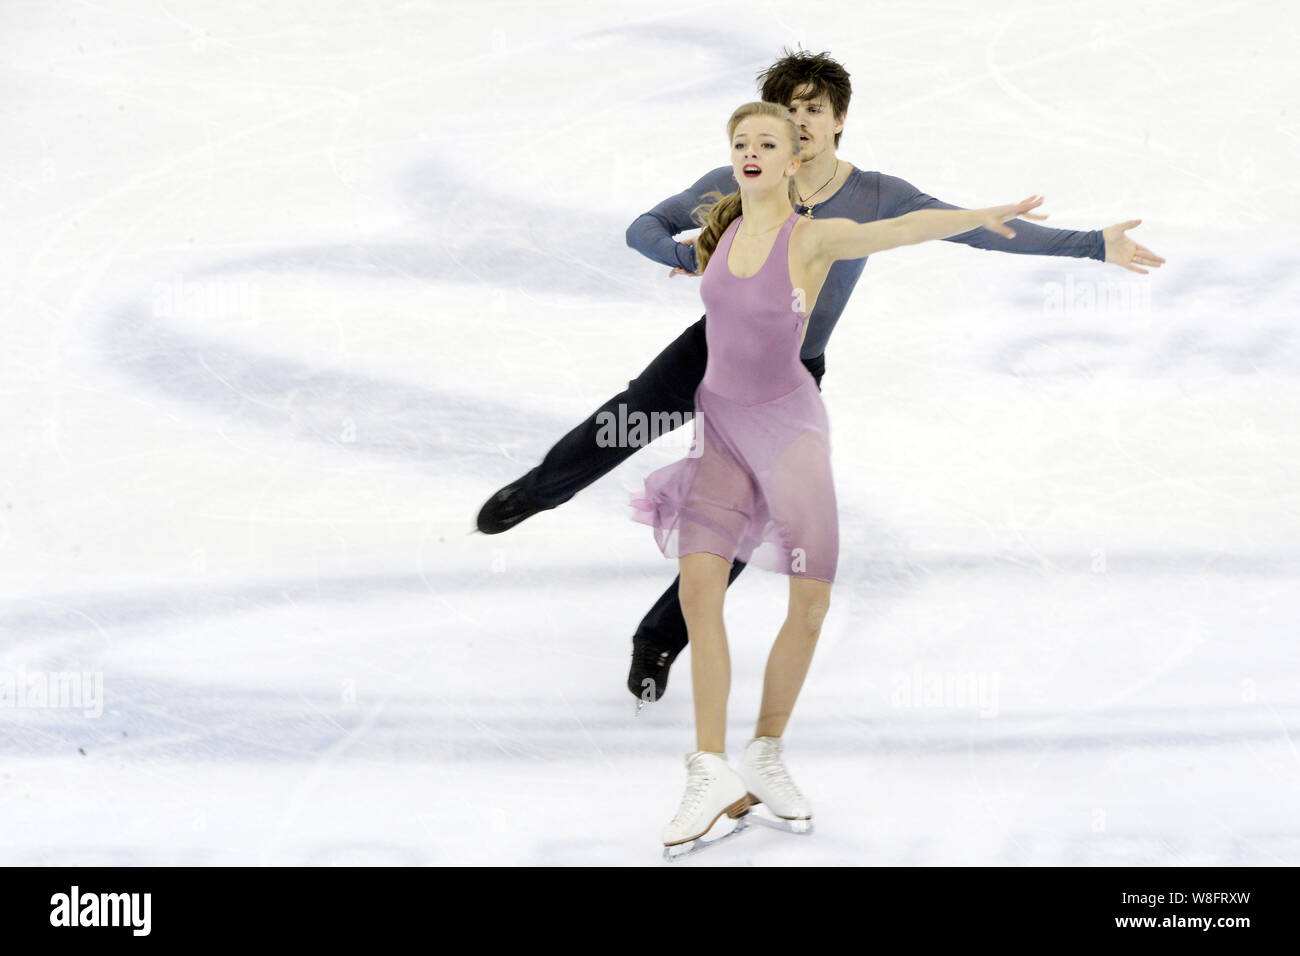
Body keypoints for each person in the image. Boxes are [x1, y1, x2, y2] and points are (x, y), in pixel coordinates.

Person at [475, 50, 1164, 706]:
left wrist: (1094, 245)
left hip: (787, 381)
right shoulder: (743, 178)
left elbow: (974, 229)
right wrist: (679, 253)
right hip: (711, 349)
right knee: (622, 424)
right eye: (785, 107)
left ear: (838, 119)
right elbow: (643, 225)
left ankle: (658, 640)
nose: (797, 119)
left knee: (740, 518)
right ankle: (537, 491)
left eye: (812, 106)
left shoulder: (874, 196)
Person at [641, 99, 1047, 852]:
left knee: (811, 601)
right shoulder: (722, 231)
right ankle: (709, 769)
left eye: (768, 141)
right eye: (742, 142)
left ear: (796, 158)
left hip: (790, 435)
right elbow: (663, 246)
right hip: (723, 430)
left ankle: (765, 750)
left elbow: (895, 229)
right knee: (700, 588)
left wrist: (976, 216)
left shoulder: (814, 237)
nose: (752, 151)